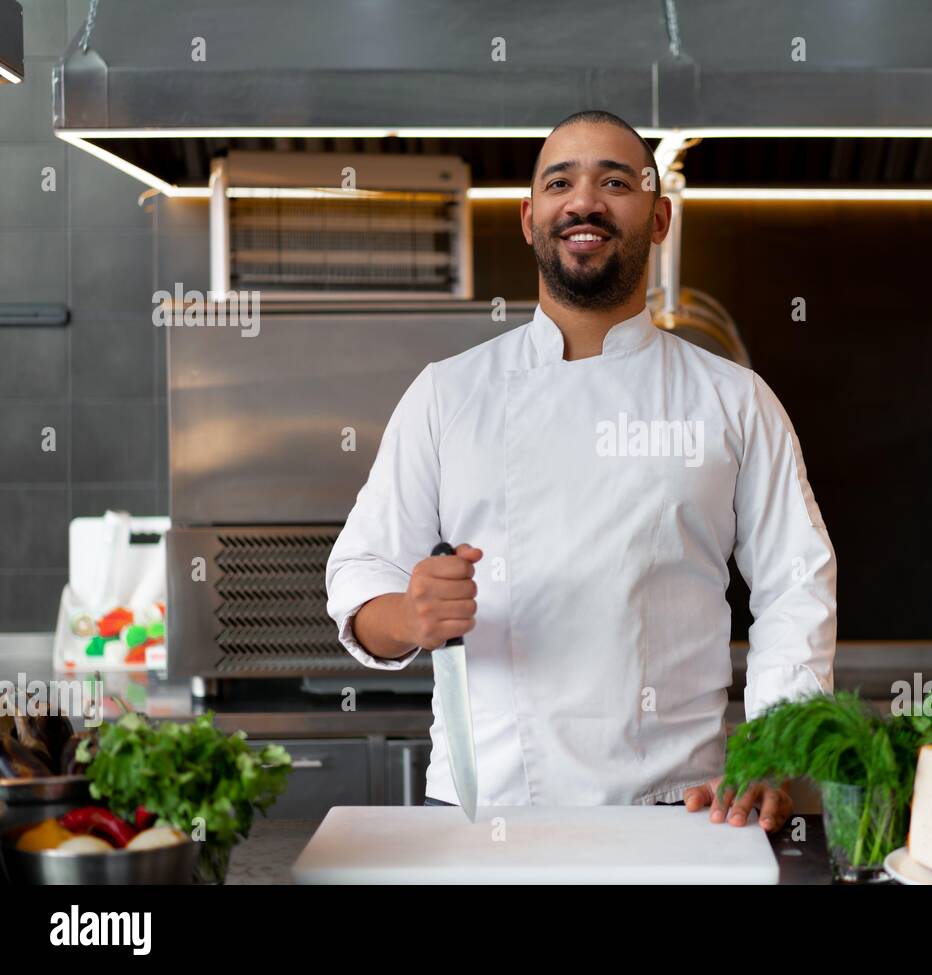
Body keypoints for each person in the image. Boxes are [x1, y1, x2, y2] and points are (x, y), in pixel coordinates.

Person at [326, 110, 836, 832]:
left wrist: (772, 753)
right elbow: (361, 573)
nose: (585, 201)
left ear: (658, 218)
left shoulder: (733, 401)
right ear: (529, 218)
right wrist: (410, 615)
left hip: (683, 808)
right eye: (560, 181)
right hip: (492, 806)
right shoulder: (448, 392)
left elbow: (795, 584)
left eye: (615, 182)